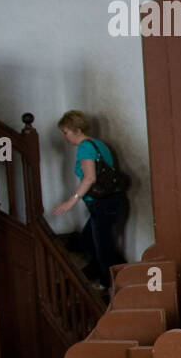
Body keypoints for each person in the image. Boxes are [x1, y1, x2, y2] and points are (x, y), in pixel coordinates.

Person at [49, 110, 127, 291]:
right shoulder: (98, 144)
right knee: (89, 239)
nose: (64, 136)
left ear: (77, 131)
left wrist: (70, 202)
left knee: (103, 247)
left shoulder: (85, 148)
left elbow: (90, 178)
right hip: (110, 200)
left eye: (66, 132)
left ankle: (109, 285)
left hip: (102, 203)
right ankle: (95, 270)